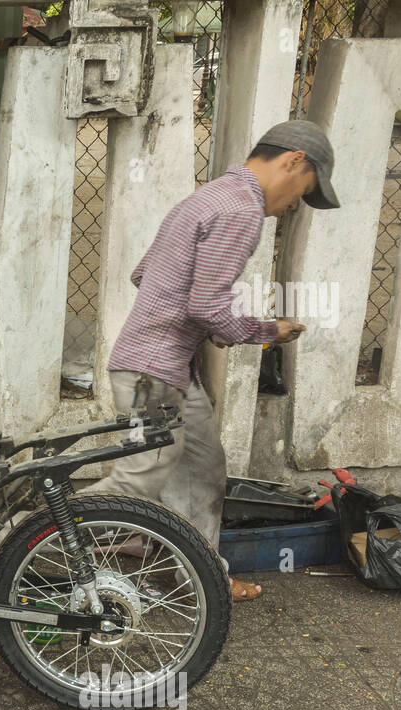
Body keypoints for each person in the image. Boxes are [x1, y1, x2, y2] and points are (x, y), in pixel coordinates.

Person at [87, 120, 339, 602]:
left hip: (170, 368)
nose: (288, 209)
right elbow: (204, 304)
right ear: (293, 161)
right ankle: (22, 539)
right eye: (299, 195)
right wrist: (264, 331)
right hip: (152, 371)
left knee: (202, 469)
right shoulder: (242, 209)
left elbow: (148, 275)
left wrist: (211, 324)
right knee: (141, 477)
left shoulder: (206, 198)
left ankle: (195, 570)